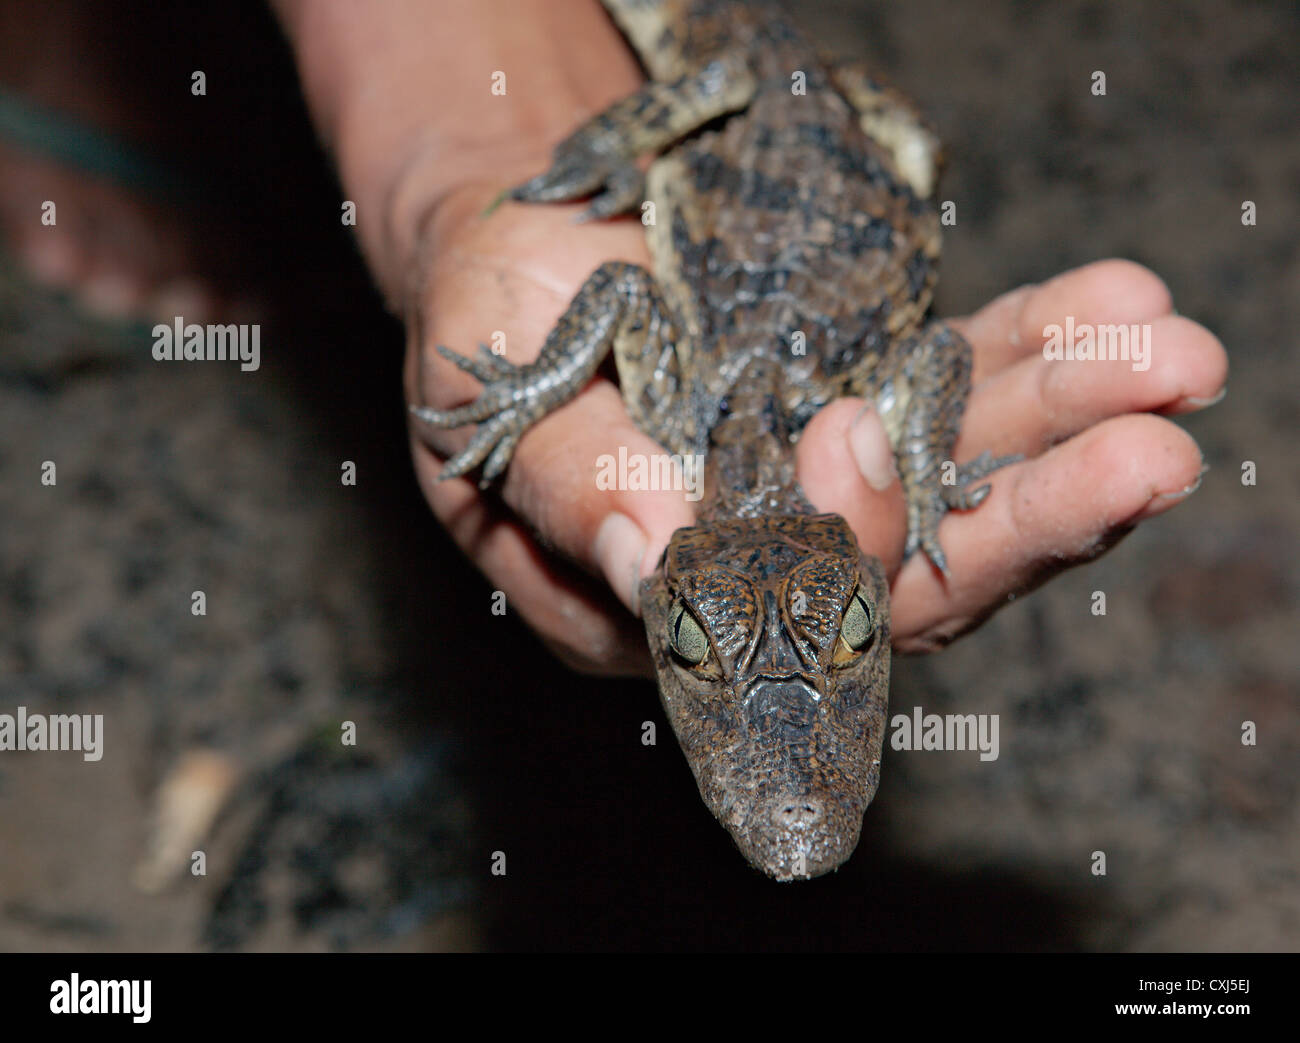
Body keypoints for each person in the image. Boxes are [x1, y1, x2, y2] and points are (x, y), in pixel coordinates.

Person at [5, 0, 1227, 678]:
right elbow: (923, 356)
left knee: (884, 138)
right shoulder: (738, 408)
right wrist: (919, 460)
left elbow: (648, 308)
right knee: (772, 91)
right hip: (750, 79)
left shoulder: (692, 409)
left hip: (800, 112)